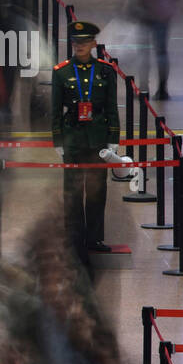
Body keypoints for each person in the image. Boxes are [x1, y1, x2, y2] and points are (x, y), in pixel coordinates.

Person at [52, 21, 120, 267]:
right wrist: (58, 140)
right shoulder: (61, 71)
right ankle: (73, 238)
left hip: (98, 138)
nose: (79, 46)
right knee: (71, 190)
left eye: (84, 42)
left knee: (96, 190)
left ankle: (93, 237)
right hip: (73, 138)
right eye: (75, 42)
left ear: (93, 44)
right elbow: (55, 110)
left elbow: (112, 108)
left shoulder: (105, 70)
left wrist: (113, 139)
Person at [114, 0, 183, 100]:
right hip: (164, 13)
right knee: (162, 52)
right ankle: (162, 90)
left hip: (144, 13)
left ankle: (143, 88)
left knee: (143, 52)